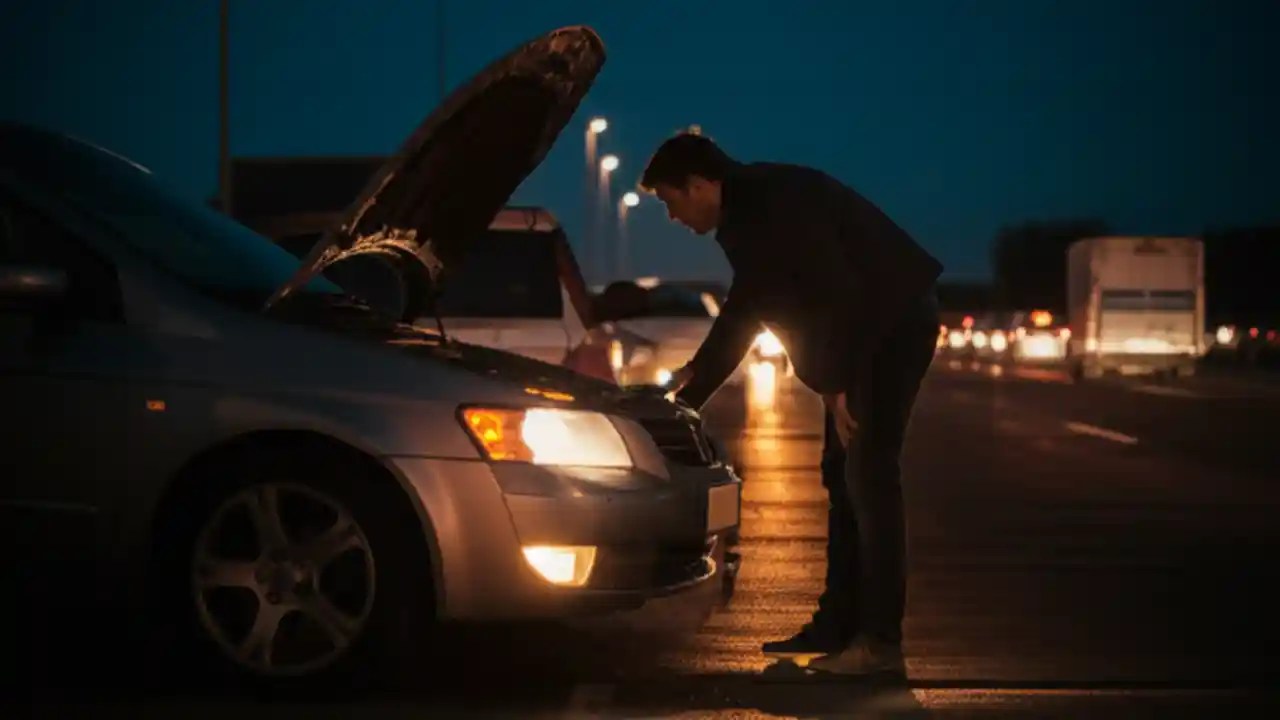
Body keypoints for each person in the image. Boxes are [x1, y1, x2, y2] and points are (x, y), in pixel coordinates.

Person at [639, 133, 942, 676]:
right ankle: (837, 626)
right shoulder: (750, 211)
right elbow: (746, 310)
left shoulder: (771, 205)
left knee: (870, 478)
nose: (673, 217)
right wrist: (691, 392)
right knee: (841, 475)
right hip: (867, 330)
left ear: (701, 185)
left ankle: (878, 644)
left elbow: (838, 290)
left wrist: (834, 379)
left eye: (671, 201)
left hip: (892, 326)